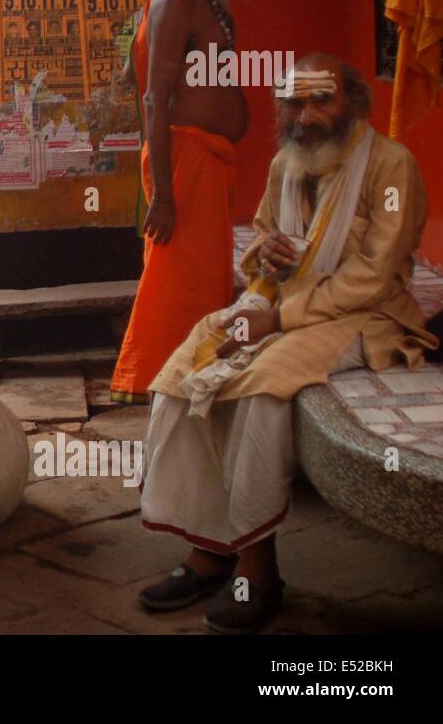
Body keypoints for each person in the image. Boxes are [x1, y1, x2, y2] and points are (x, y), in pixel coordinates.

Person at [137, 54, 436, 633]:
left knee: (263, 387)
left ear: (352, 101)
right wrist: (265, 259)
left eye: (322, 100)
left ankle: (258, 569)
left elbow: (374, 274)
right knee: (192, 361)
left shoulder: (392, 166)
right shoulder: (285, 164)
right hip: (282, 303)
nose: (308, 115)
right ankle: (210, 550)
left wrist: (280, 319)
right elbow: (262, 242)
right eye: (295, 103)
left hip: (368, 317)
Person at [109, 0, 289, 405]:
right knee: (176, 279)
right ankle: (154, 383)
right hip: (183, 163)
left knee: (204, 279)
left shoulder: (208, 4)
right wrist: (163, 197)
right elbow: (152, 98)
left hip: (210, 161)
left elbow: (134, 69)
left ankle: (191, 374)